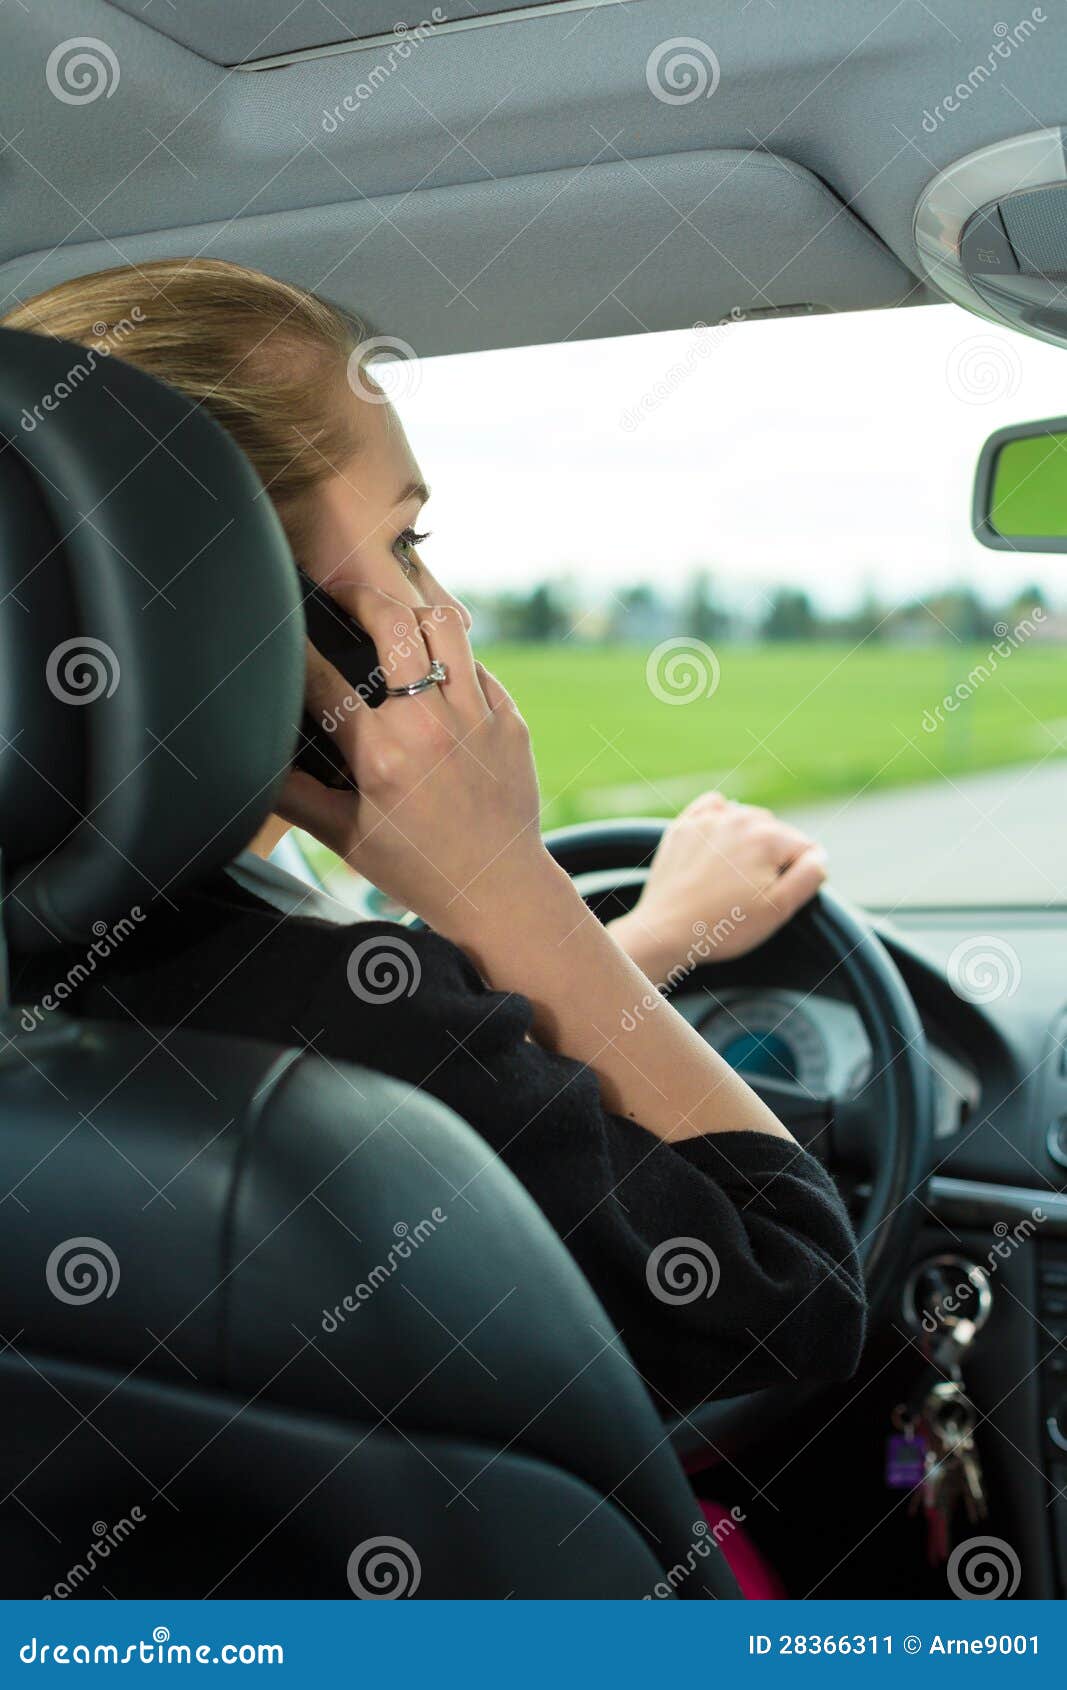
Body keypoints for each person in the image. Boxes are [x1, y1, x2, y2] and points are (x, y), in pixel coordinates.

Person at [3, 259, 864, 1411]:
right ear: (226, 594)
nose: (442, 610)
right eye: (407, 542)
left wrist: (638, 940)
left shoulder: (86, 964)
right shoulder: (335, 1026)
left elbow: (439, 1054)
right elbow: (786, 1299)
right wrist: (502, 882)